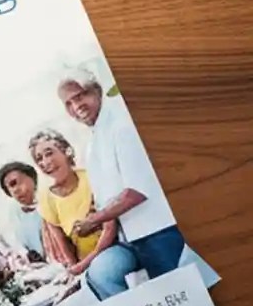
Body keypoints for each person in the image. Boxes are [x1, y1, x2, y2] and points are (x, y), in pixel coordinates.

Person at [57, 68, 184, 279]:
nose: (76, 106)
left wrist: (95, 219)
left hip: (158, 230)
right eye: (68, 103)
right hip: (135, 236)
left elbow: (137, 191)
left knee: (189, 293)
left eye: (80, 96)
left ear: (97, 91)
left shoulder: (122, 125)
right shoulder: (95, 137)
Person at [28, 129, 139, 300]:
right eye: (39, 159)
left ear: (66, 151)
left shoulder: (92, 177)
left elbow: (110, 229)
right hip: (84, 262)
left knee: (102, 274)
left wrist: (84, 265)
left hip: (116, 248)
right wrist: (75, 269)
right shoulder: (46, 198)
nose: (45, 162)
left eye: (49, 153)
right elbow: (64, 245)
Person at [0, 161, 45, 261]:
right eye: (9, 187)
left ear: (32, 178)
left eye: (15, 183)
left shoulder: (50, 199)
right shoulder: (15, 213)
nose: (15, 190)